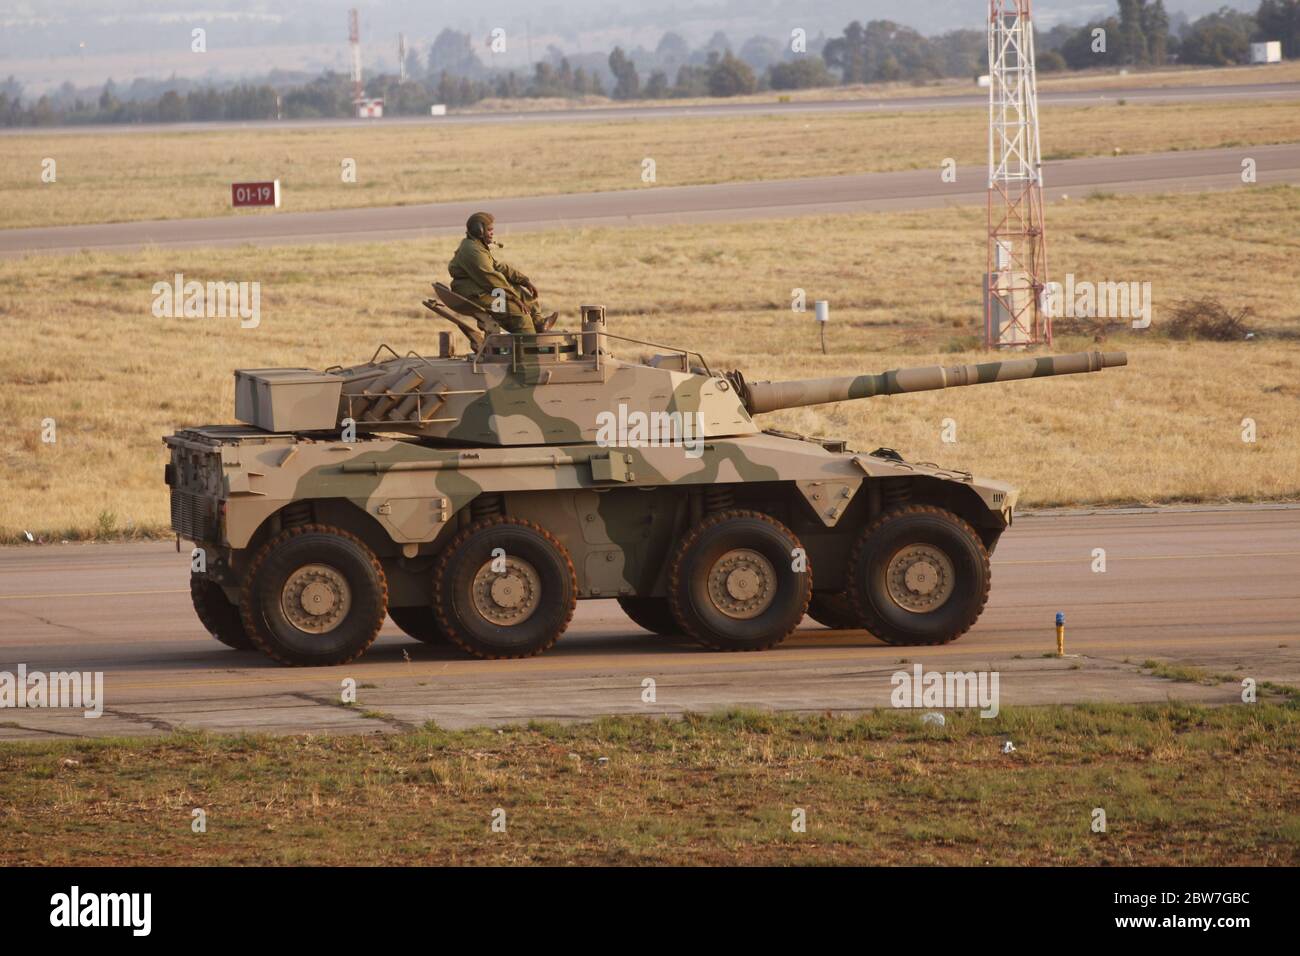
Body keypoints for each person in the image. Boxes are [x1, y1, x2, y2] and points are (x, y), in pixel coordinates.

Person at [448, 212, 557, 333]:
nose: (492, 233)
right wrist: (513, 298)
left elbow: (498, 267)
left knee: (522, 293)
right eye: (489, 230)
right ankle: (530, 347)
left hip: (480, 289)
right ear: (479, 231)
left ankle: (539, 323)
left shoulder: (477, 246)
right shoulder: (472, 251)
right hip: (474, 294)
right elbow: (490, 278)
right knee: (520, 314)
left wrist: (524, 281)